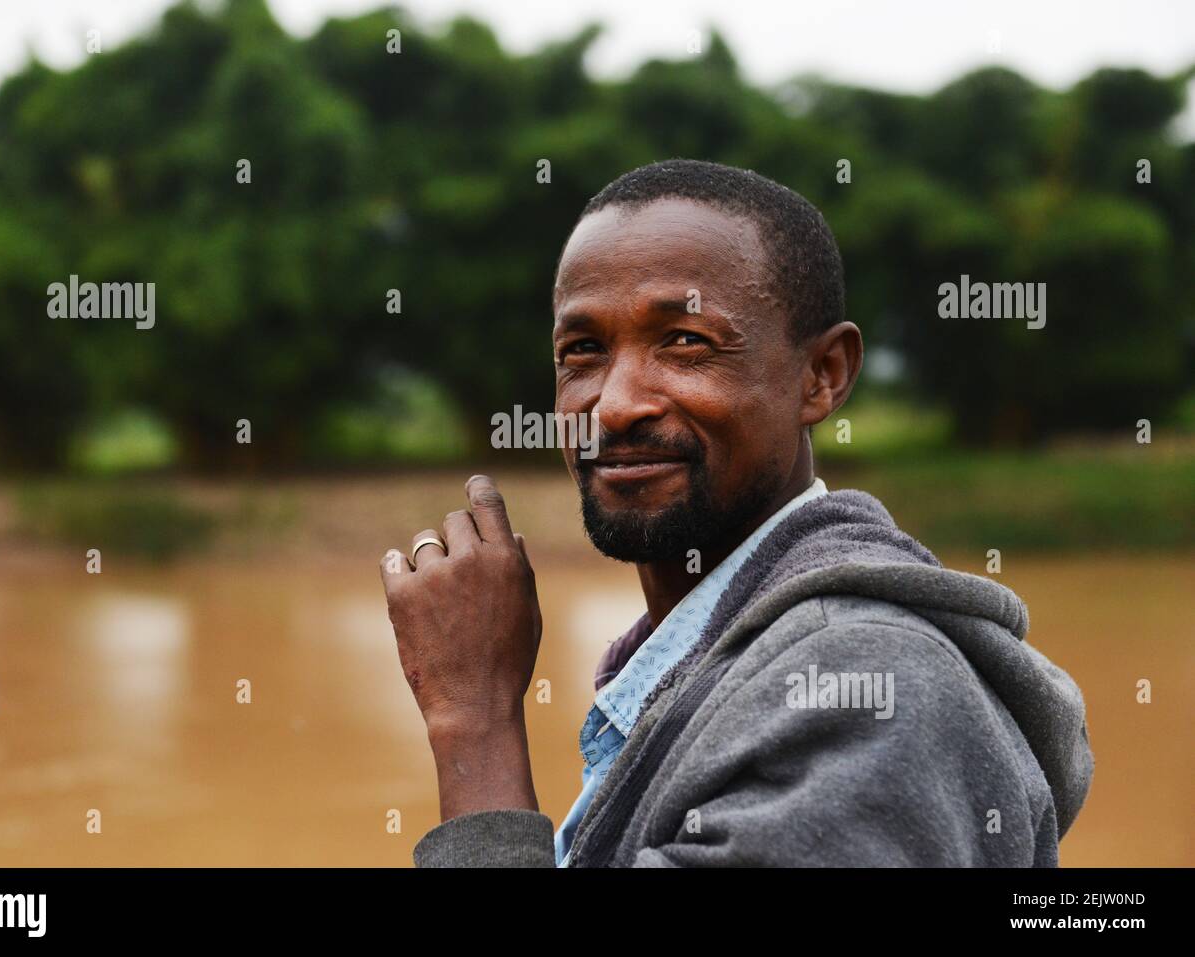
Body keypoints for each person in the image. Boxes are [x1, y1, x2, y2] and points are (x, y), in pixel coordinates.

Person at [378, 159, 1094, 867]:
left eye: (686, 342)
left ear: (823, 376)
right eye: (584, 350)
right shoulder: (708, 666)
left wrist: (475, 723)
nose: (618, 403)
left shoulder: (866, 687)